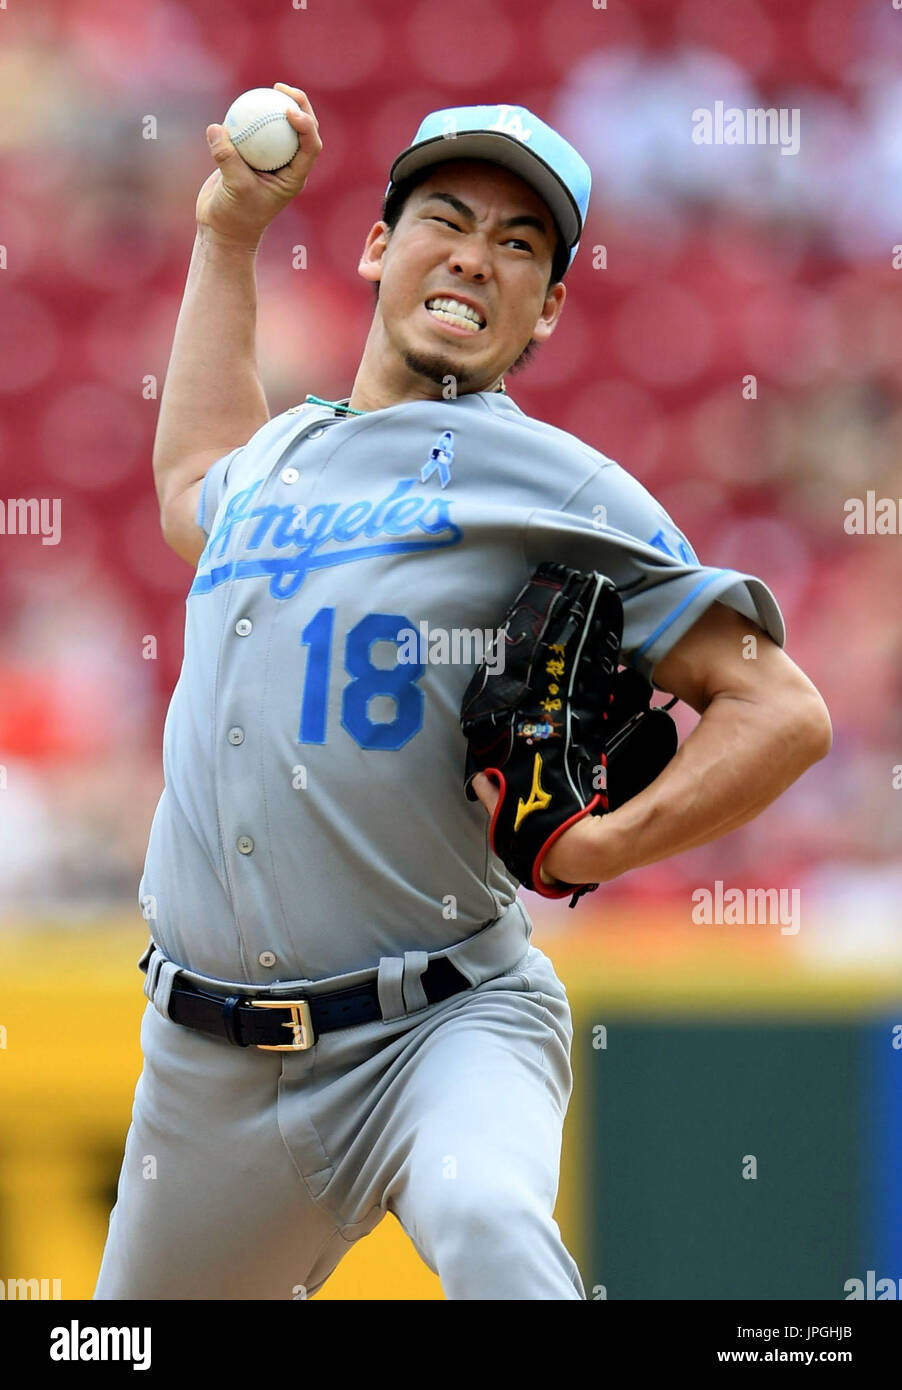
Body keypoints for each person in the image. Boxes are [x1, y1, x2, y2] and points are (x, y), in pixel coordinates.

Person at [94, 89, 832, 1301]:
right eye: (445, 218)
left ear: (543, 309)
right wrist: (227, 234)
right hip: (203, 1067)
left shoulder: (555, 479)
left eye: (518, 245)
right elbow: (188, 478)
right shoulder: (276, 459)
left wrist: (601, 842)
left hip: (440, 1023)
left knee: (489, 1221)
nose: (473, 257)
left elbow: (779, 707)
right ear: (379, 248)